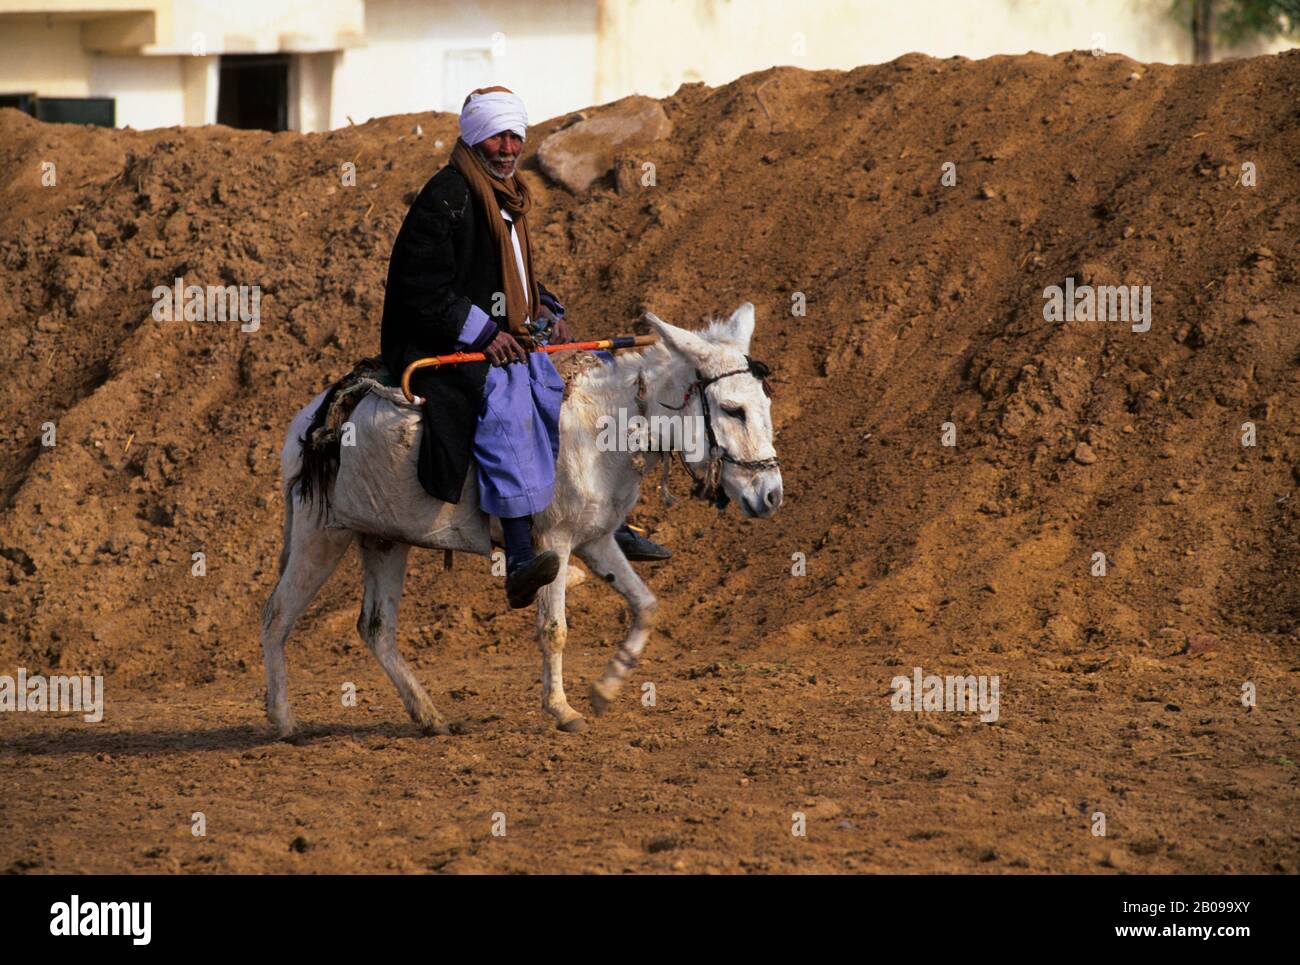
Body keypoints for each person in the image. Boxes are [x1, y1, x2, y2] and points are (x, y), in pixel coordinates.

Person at [380, 87, 667, 610]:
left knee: (598, 374)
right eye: (498, 137)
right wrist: (486, 334)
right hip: (438, 343)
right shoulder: (447, 195)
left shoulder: (506, 194)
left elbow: (507, 278)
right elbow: (420, 289)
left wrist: (543, 315)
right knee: (510, 401)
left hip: (502, 334)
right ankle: (516, 554)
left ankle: (605, 521)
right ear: (475, 138)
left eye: (516, 137)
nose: (509, 148)